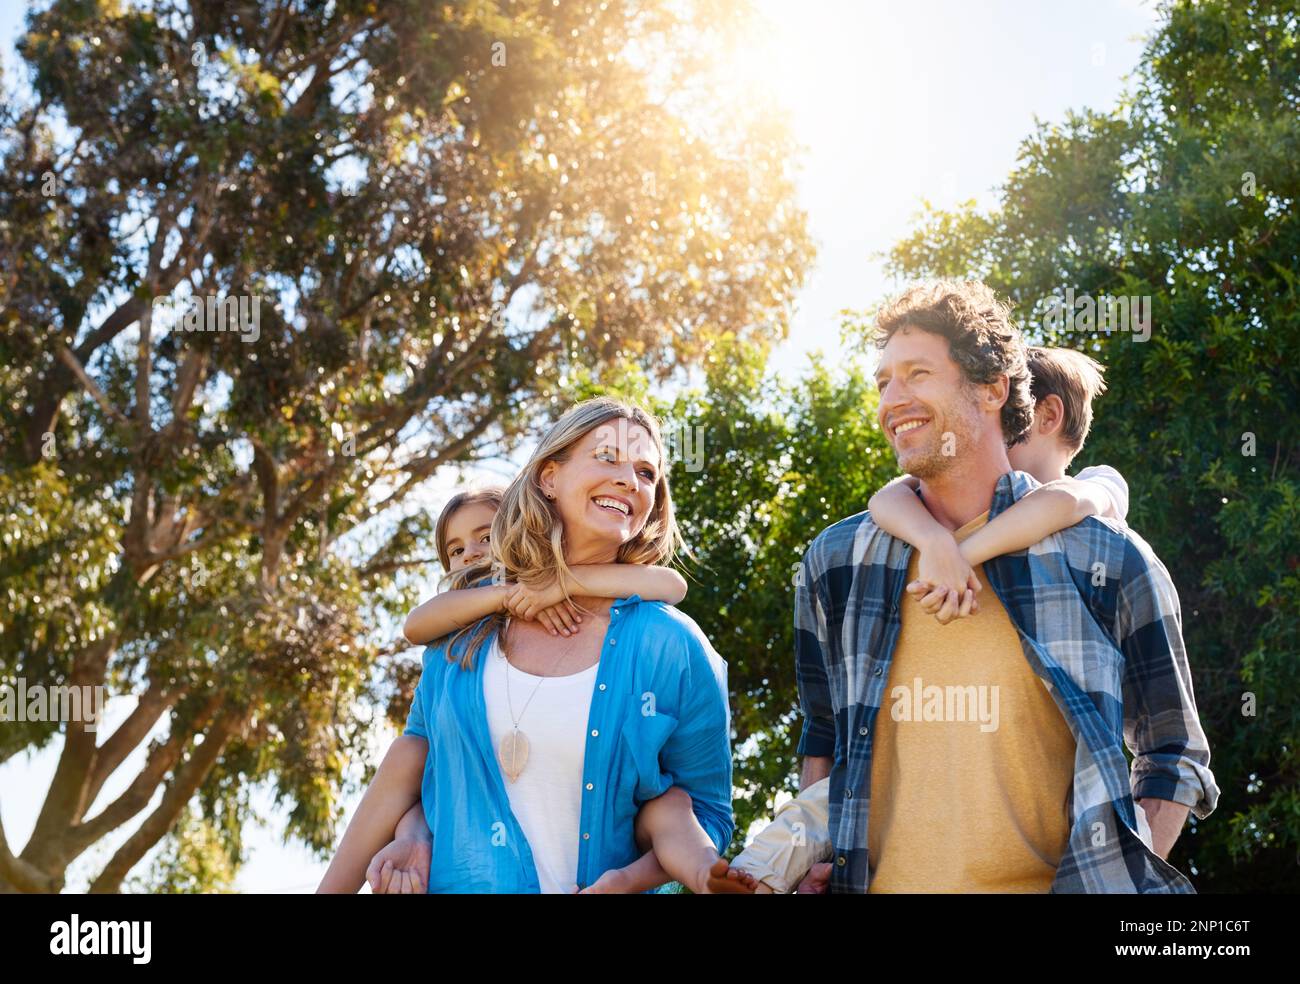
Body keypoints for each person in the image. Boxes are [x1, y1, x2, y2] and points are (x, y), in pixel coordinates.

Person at [731, 281, 1218, 894]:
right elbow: (824, 737)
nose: (892, 400)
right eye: (884, 381)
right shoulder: (837, 562)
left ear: (992, 389)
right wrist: (811, 860)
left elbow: (1173, 752)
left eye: (917, 374)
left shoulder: (1107, 558)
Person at [318, 398, 737, 893]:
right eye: (608, 457)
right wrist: (415, 835)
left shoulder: (673, 647)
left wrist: (628, 880)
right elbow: (420, 772)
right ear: (549, 477)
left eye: (646, 472)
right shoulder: (459, 644)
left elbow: (706, 813)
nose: (630, 479)